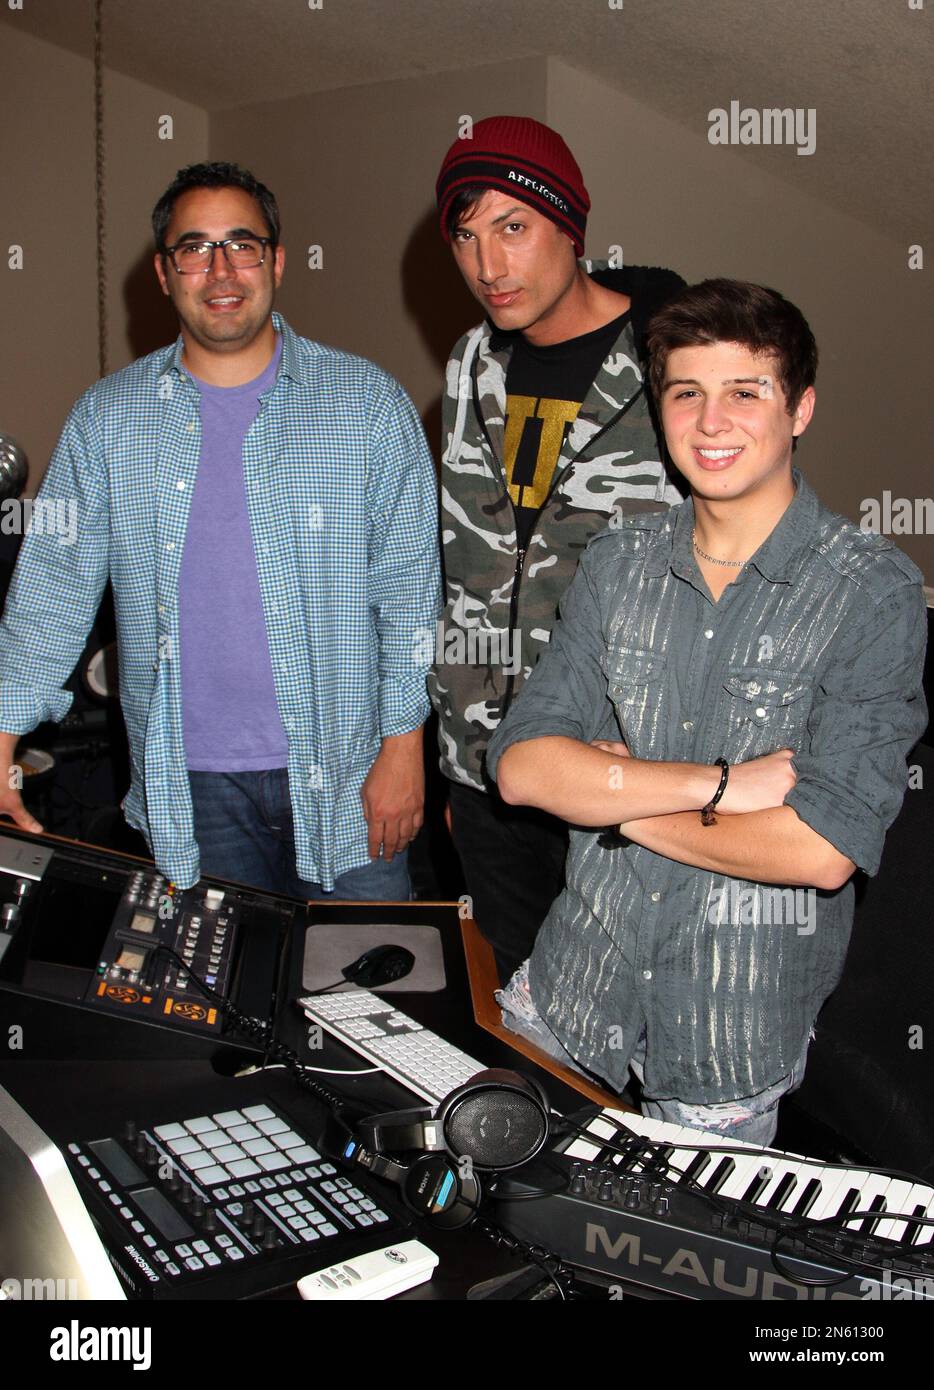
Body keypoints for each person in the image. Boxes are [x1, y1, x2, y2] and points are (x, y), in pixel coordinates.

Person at [487, 278, 927, 1144]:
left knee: (682, 1276)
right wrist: (722, 787)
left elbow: (822, 849)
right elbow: (521, 766)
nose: (711, 421)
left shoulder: (873, 592)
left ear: (800, 408)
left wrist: (620, 807)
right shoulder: (617, 563)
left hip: (729, 1034)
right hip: (567, 995)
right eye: (686, 393)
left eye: (744, 391)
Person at [0, 162, 441, 900]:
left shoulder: (367, 405)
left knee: (361, 1007)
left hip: (350, 774)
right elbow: (53, 590)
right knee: (212, 1006)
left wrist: (403, 749)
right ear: (164, 274)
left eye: (241, 244)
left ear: (277, 260)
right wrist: (4, 733)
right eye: (194, 249)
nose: (220, 270)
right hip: (190, 790)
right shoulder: (106, 420)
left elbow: (408, 595)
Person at [431, 116, 683, 982]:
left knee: (616, 1026)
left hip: (615, 774)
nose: (487, 266)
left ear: (570, 227)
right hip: (486, 773)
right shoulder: (470, 364)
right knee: (512, 1019)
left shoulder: (674, 362)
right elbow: (459, 571)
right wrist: (460, 767)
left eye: (513, 227)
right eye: (465, 236)